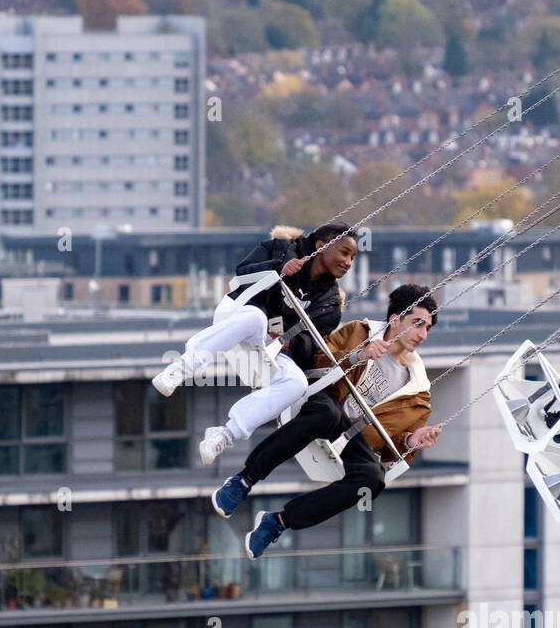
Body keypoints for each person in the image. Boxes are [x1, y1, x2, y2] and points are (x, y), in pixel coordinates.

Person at [207, 284, 447, 559]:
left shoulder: (418, 391)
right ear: (395, 319)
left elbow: (392, 449)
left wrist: (411, 440)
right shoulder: (360, 331)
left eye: (427, 327)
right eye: (417, 324)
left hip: (354, 438)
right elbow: (318, 359)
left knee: (372, 478)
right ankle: (243, 480)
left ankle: (277, 522)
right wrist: (358, 356)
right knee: (327, 414)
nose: (422, 334)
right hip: (328, 401)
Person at [149, 223, 358, 465]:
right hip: (246, 311)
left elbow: (312, 344)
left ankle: (226, 433)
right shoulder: (281, 249)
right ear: (321, 246)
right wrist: (279, 269)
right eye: (344, 253)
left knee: (297, 383)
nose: (348, 262)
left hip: (276, 346)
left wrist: (289, 343)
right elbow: (242, 271)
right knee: (254, 318)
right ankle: (181, 368)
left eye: (353, 257)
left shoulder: (331, 302)